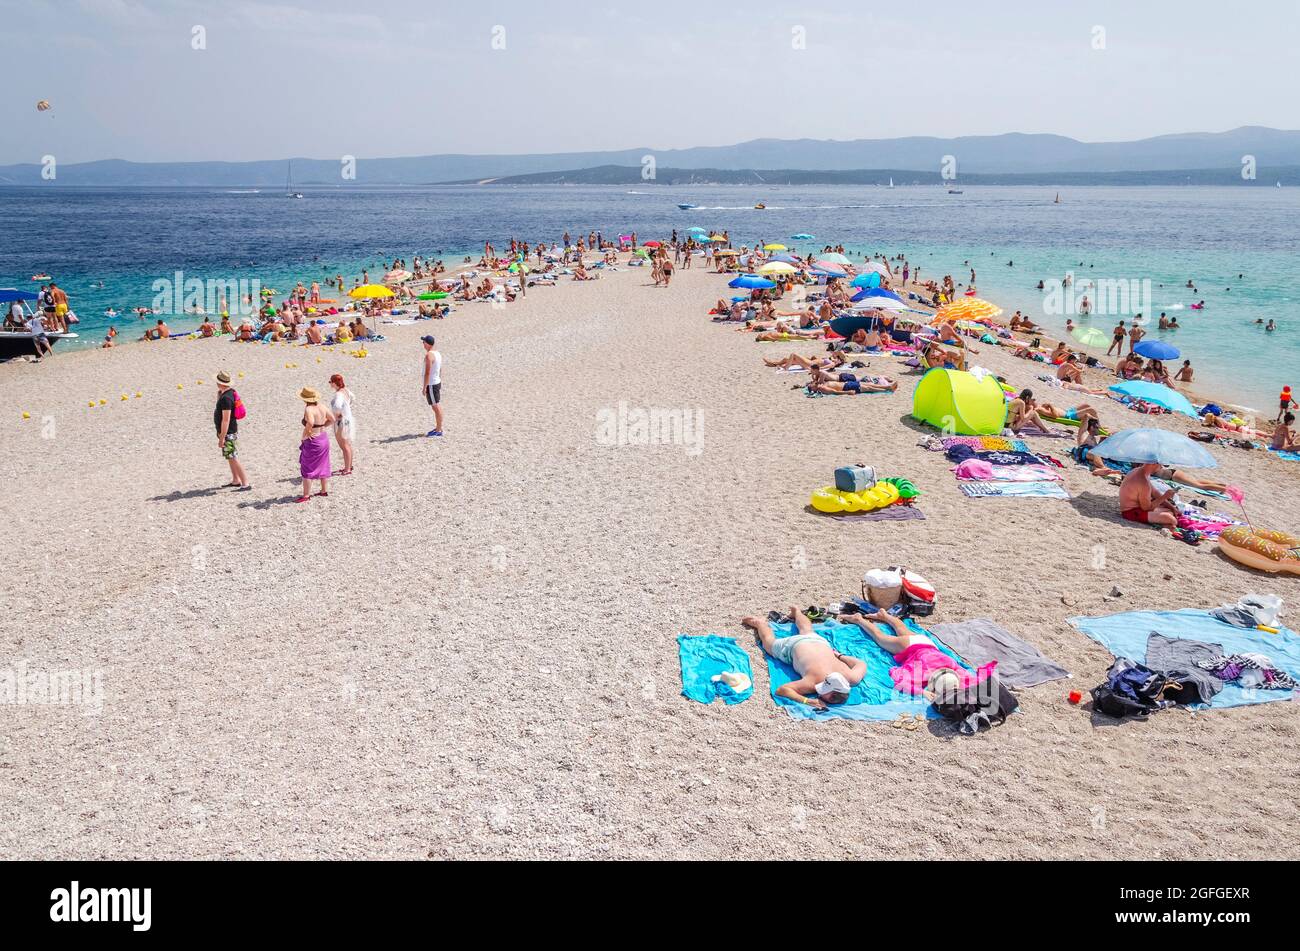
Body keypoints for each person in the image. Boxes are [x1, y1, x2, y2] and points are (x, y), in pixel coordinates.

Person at [741, 609, 866, 710]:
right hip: (793, 646)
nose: (820, 693)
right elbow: (782, 690)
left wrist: (839, 656)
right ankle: (759, 623)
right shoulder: (814, 682)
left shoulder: (851, 677)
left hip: (819, 643)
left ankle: (797, 612)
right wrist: (807, 700)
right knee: (768, 642)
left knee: (807, 630)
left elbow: (860, 663)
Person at [296, 387, 335, 503]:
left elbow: (311, 422)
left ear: (305, 399)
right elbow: (332, 419)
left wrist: (307, 433)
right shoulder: (322, 406)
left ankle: (306, 495)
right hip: (324, 438)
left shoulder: (309, 409)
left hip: (313, 440)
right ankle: (323, 490)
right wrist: (322, 426)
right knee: (324, 464)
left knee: (307, 467)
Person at [214, 371, 250, 490]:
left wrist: (222, 437)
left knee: (233, 457)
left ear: (220, 383)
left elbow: (226, 420)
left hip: (228, 432)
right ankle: (236, 480)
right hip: (228, 431)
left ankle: (245, 483)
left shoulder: (226, 399)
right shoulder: (228, 393)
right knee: (229, 456)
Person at [1118, 463, 1179, 528]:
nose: (1161, 467)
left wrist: (1171, 507)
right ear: (1153, 464)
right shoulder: (1143, 481)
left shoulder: (1139, 471)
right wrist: (1165, 496)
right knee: (1172, 519)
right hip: (1130, 512)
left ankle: (1161, 523)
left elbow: (1155, 492)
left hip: (1137, 508)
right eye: (1160, 465)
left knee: (1170, 511)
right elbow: (1147, 508)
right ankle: (1160, 524)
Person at [329, 373, 356, 475]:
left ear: (334, 383)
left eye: (330, 382)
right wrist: (347, 408)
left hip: (341, 421)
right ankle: (349, 465)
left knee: (344, 445)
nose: (330, 384)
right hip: (348, 419)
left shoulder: (338, 394)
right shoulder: (346, 391)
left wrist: (337, 414)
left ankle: (347, 469)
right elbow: (353, 398)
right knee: (347, 444)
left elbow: (336, 406)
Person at [421, 334, 443, 437]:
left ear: (428, 344)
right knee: (436, 406)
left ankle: (439, 430)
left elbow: (427, 372)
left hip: (432, 384)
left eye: (424, 342)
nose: (423, 344)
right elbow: (440, 369)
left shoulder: (429, 355)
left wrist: (424, 387)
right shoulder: (437, 353)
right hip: (436, 381)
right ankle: (438, 428)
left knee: (436, 407)